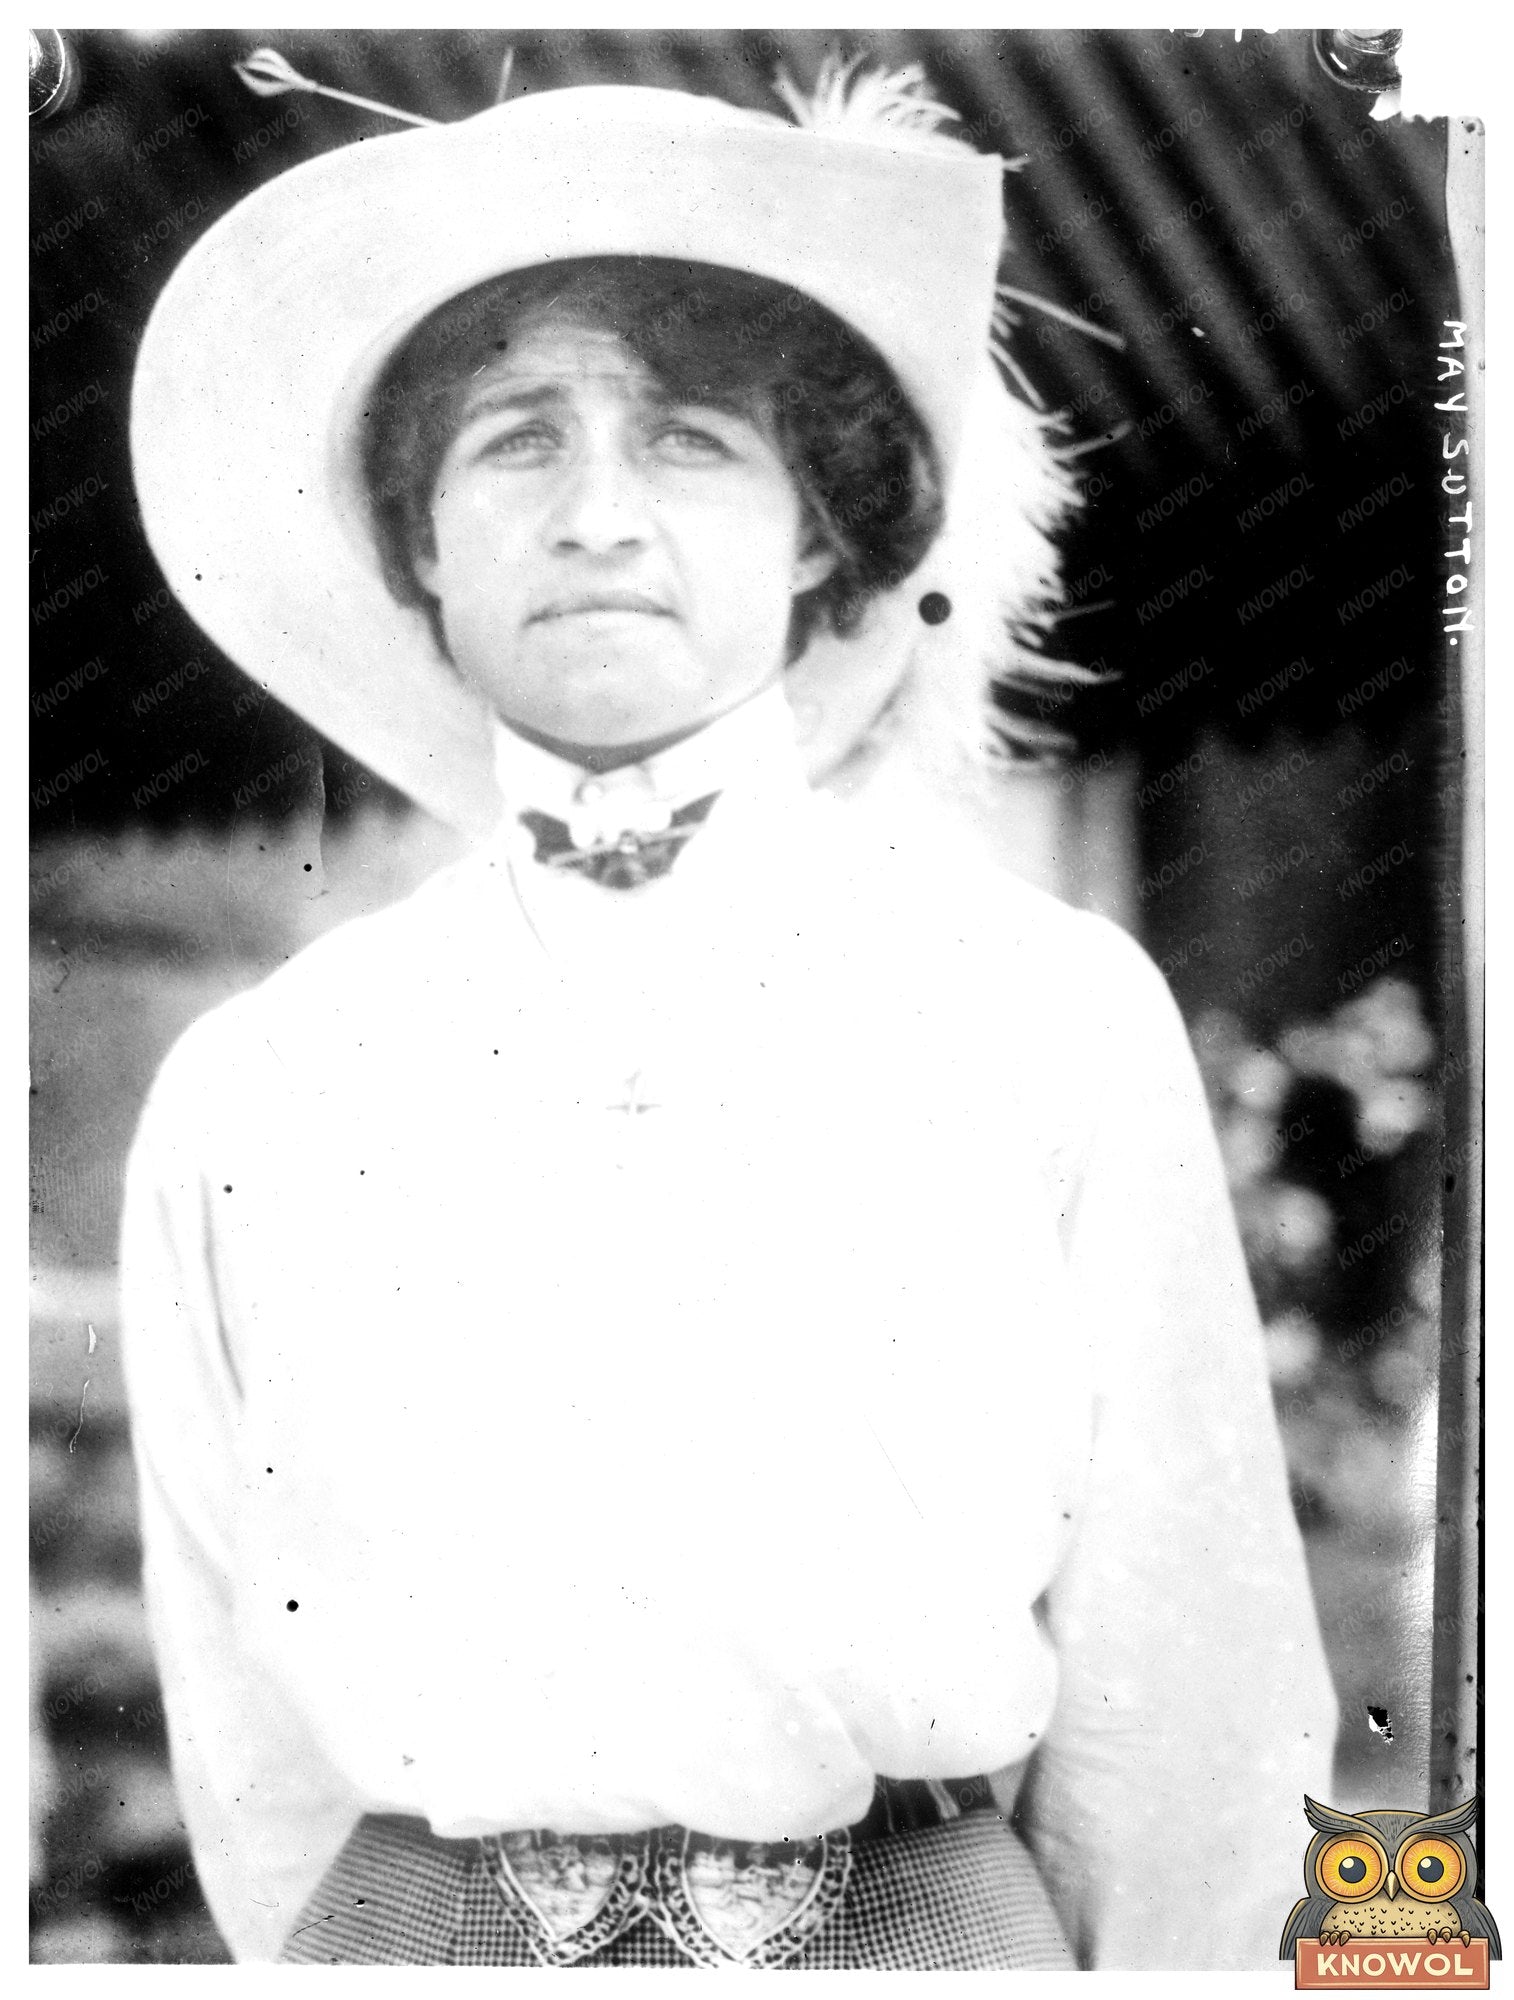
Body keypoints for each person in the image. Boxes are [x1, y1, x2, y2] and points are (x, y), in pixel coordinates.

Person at [121, 59, 1337, 1970]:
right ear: (416, 539)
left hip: (918, 1936)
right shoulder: (263, 1084)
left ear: (825, 529)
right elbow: (240, 1717)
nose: (597, 515)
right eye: (515, 440)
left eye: (689, 439)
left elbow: (1179, 1678)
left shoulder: (1038, 1015)